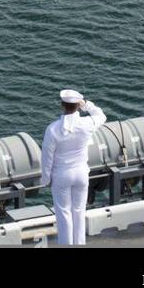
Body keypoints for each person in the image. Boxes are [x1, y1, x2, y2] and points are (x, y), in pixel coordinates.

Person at [40, 89, 106, 246]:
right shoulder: (87, 123)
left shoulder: (53, 129)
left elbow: (47, 157)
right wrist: (87, 105)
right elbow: (101, 116)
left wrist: (46, 178)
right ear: (77, 105)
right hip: (82, 173)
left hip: (62, 175)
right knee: (79, 212)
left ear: (62, 105)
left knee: (64, 214)